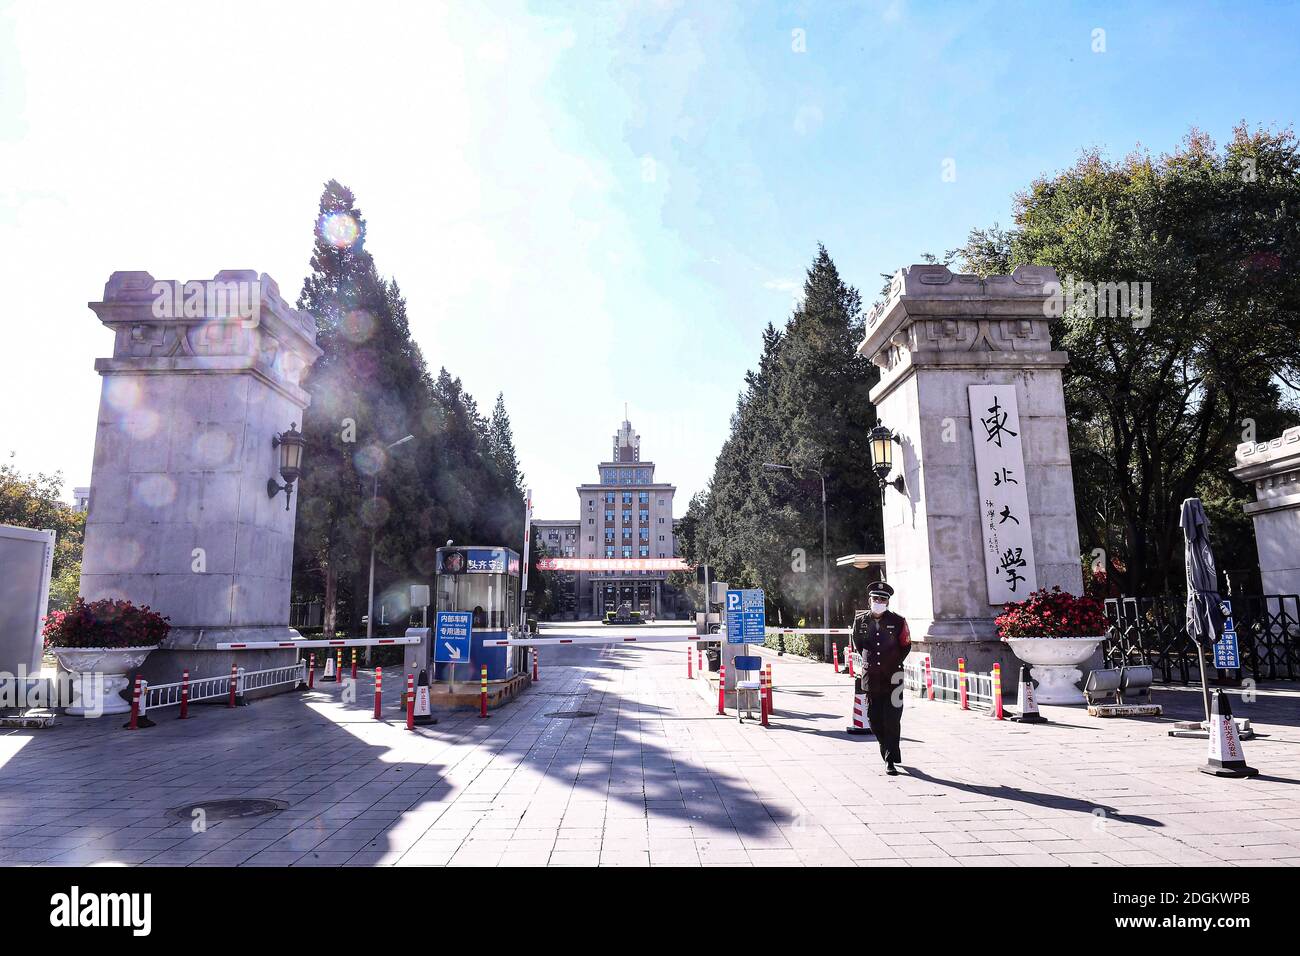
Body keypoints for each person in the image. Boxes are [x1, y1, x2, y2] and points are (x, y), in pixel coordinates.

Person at [851, 581, 911, 775]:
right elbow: (858, 644)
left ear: (887, 602)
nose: (878, 601)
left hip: (895, 678)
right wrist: (871, 662)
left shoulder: (899, 621)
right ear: (870, 600)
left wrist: (891, 662)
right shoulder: (860, 621)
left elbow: (906, 645)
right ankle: (890, 749)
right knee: (874, 719)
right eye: (875, 598)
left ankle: (890, 759)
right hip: (872, 679)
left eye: (882, 599)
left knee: (893, 719)